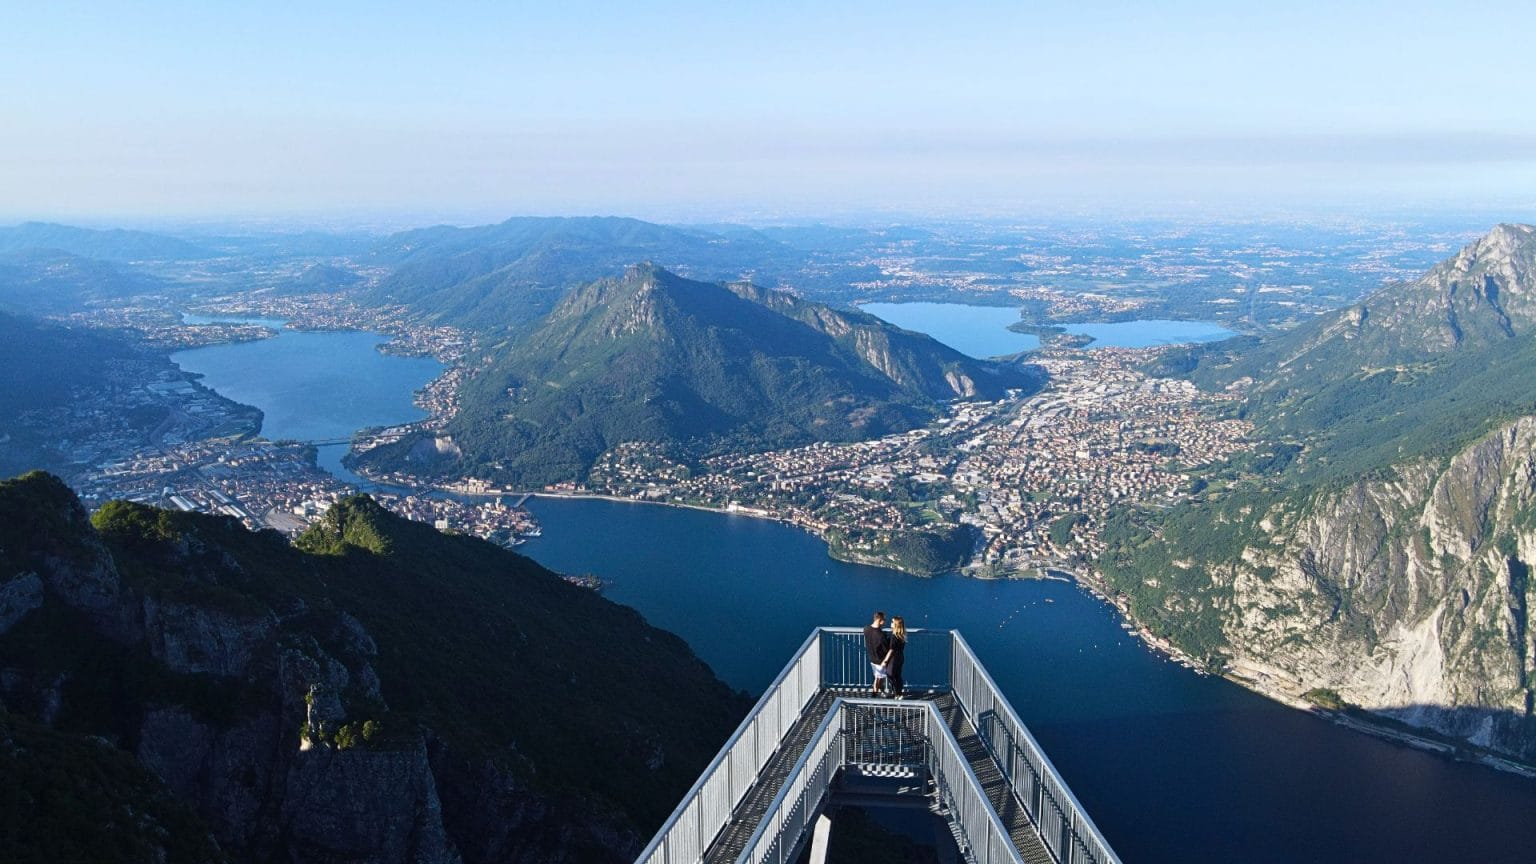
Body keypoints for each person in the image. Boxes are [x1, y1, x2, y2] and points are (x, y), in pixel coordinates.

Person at [863, 610, 890, 697]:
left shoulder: (866, 629)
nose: (885, 622)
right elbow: (886, 649)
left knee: (878, 677)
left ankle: (880, 692)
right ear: (879, 620)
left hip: (872, 658)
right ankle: (874, 695)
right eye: (884, 620)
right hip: (880, 660)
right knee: (878, 679)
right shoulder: (881, 635)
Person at [883, 616, 908, 699]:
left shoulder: (894, 637)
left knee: (890, 674)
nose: (890, 623)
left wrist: (886, 661)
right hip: (900, 657)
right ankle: (899, 693)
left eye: (892, 622)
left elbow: (891, 650)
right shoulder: (901, 635)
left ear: (896, 625)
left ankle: (897, 693)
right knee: (897, 675)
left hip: (893, 659)